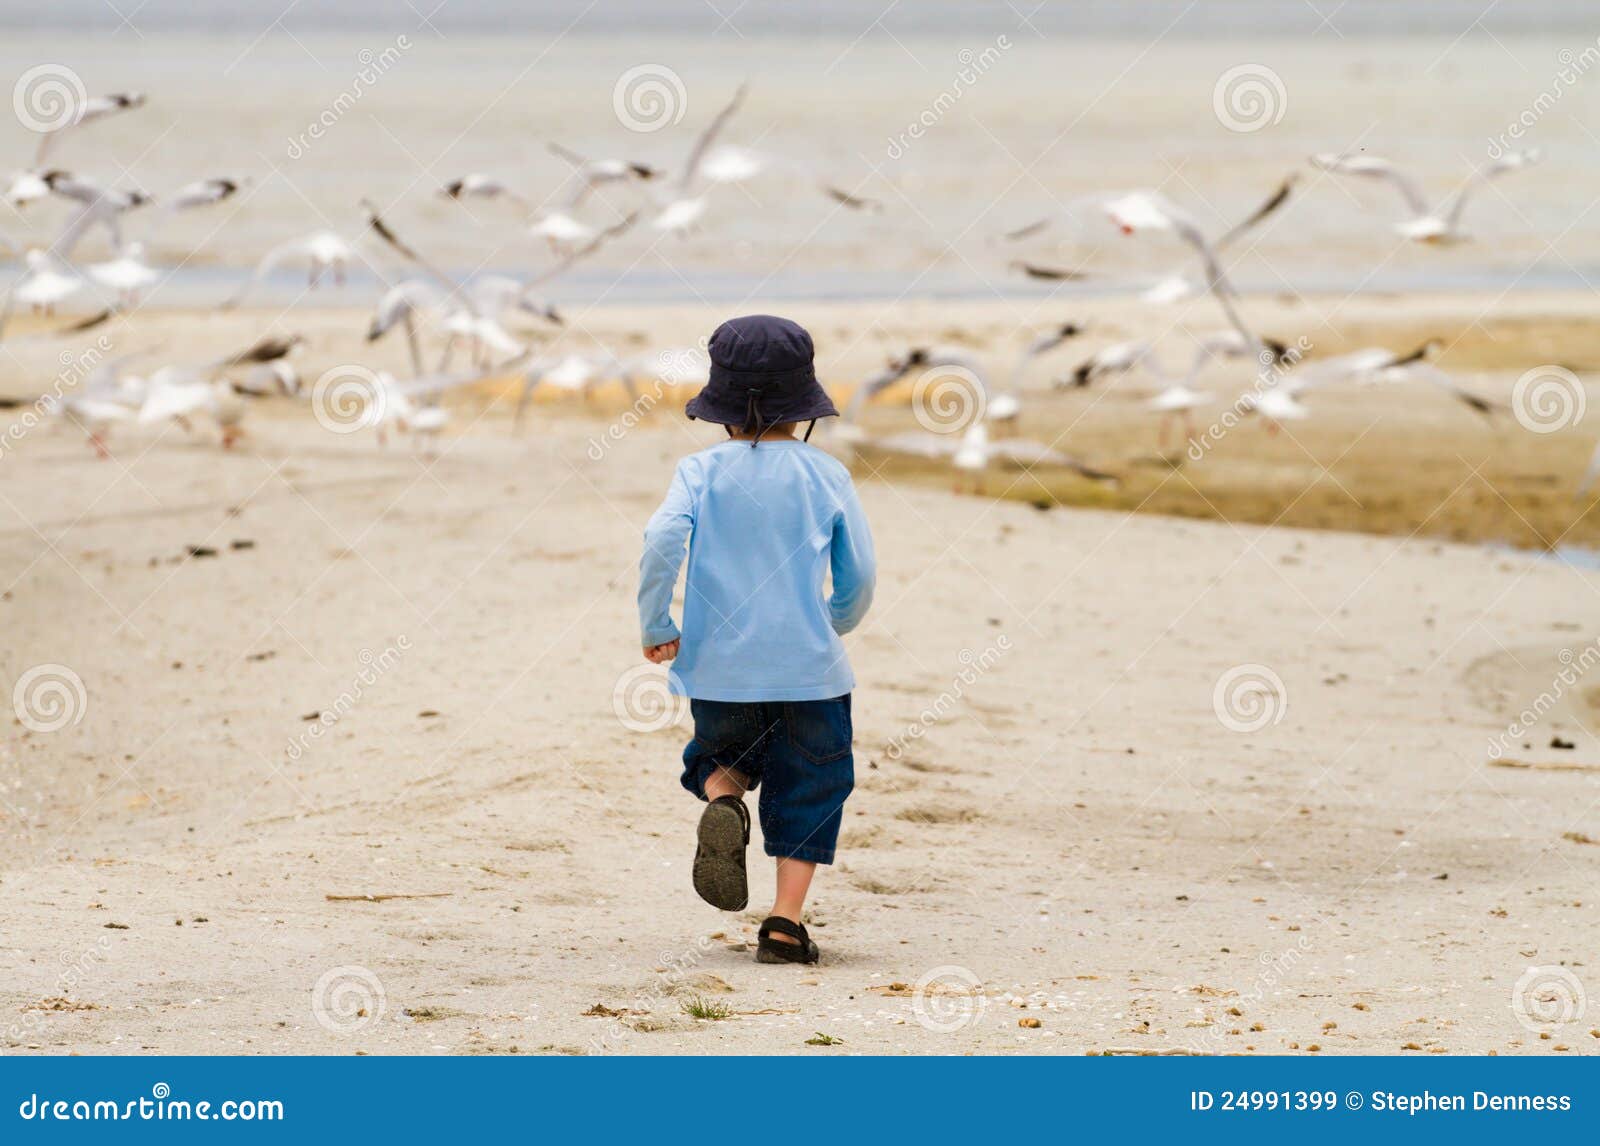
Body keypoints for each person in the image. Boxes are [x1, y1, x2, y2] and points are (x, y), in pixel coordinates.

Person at [637, 314, 875, 965]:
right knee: (811, 787)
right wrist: (836, 621)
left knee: (718, 755)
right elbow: (861, 575)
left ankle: (725, 801)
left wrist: (658, 624)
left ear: (720, 407)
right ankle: (783, 923)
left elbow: (660, 540)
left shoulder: (698, 471)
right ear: (804, 409)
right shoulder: (826, 476)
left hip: (719, 673)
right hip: (812, 674)